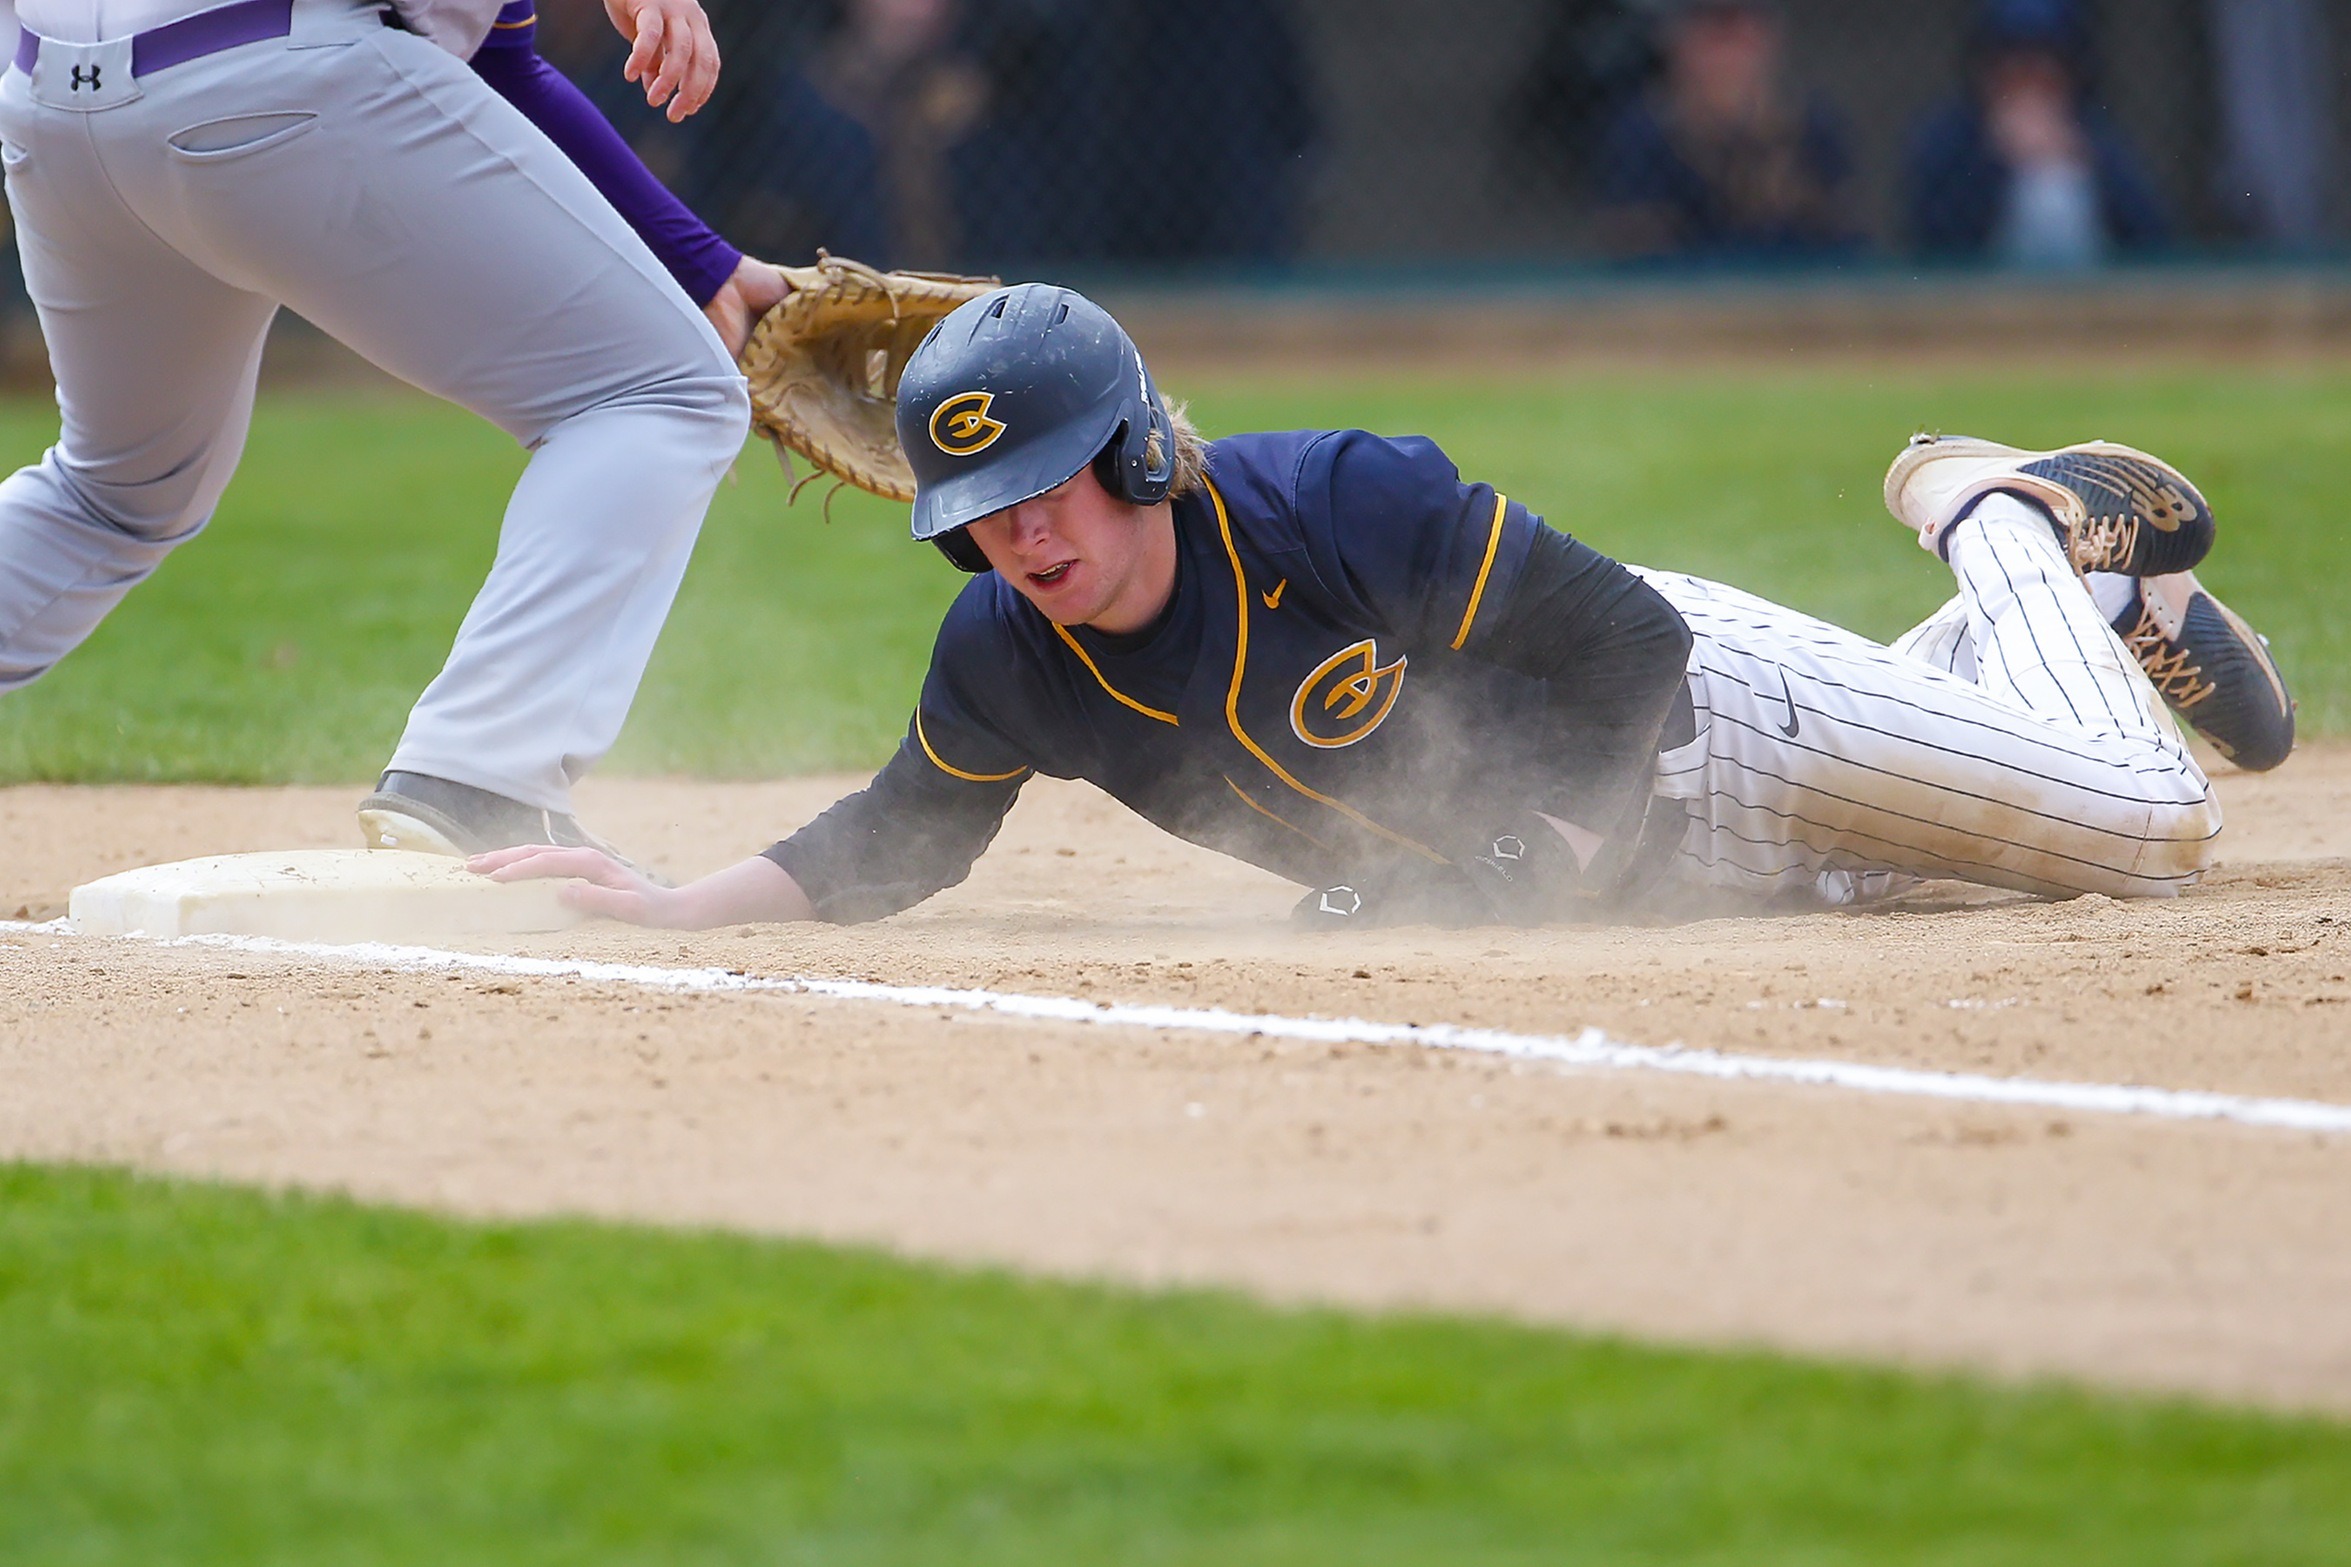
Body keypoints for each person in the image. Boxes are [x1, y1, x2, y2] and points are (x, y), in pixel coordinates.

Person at [474, 285, 2295, 930]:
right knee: (2009, 814)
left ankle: (1994, 513)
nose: (1019, 541)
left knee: (2145, 823)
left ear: (1132, 455)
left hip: (1704, 718)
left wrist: (1569, 851)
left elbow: (1631, 651)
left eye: (1043, 489)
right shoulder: (1010, 661)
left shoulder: (1336, 501)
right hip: (1693, 876)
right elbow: (897, 834)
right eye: (980, 514)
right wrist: (667, 901)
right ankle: (2077, 617)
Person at [0, 0, 752, 864]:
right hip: (278, 79)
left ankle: (481, 772)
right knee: (664, 394)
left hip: (49, 107)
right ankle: (481, 775)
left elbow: (500, 69)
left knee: (111, 491)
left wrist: (707, 266)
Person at [1904, 0, 2170, 267]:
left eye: (2043, 59)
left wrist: (2087, 164)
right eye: (2011, 59)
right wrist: (1996, 164)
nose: (2028, 73)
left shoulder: (2094, 134)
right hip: (1980, 303)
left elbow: (2154, 240)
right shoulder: (1952, 138)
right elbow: (1931, 241)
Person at [1592, 0, 1857, 263]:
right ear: (1675, 41)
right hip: (1688, 296)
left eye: (1745, 31)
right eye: (1715, 33)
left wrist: (1773, 153)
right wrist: (1704, 147)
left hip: (1796, 294)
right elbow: (1632, 258)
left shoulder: (1812, 125)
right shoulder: (1644, 132)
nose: (1731, 52)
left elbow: (1847, 246)